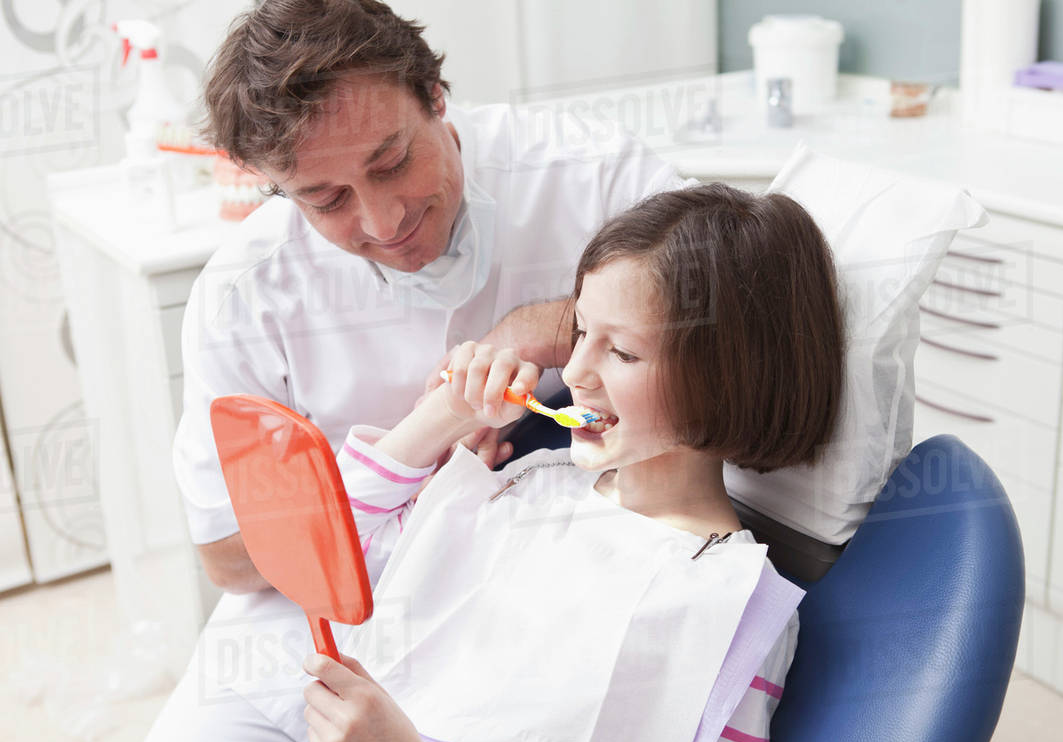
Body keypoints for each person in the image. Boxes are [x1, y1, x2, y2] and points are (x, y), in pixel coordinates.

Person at [284, 183, 845, 742]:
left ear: (731, 377)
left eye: (623, 352)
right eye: (579, 333)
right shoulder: (528, 483)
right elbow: (313, 558)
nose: (574, 373)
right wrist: (445, 414)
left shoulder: (733, 610)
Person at [175, 0, 690, 596]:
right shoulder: (242, 296)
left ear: (434, 94)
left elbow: (736, 286)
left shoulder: (585, 170)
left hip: (556, 558)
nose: (383, 220)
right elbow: (229, 560)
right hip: (347, 589)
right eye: (326, 200)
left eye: (392, 163)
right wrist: (421, 443)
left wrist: (548, 329)